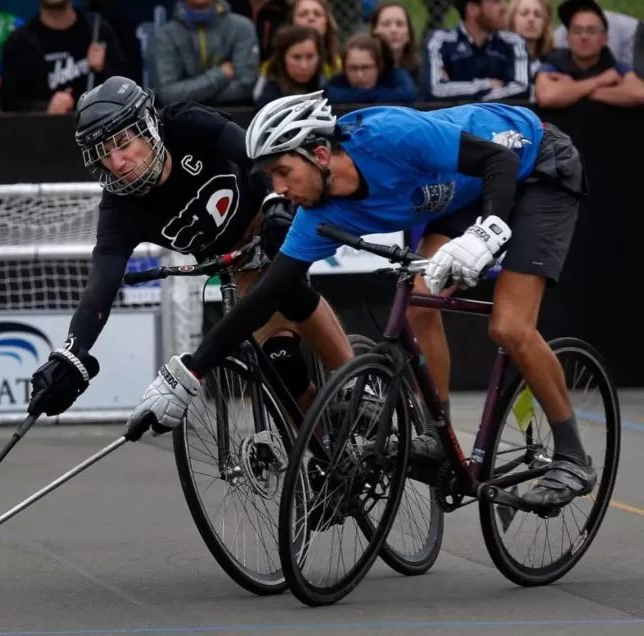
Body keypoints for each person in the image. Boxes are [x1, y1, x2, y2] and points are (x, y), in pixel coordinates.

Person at [126, 92, 595, 511]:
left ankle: (573, 457)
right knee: (418, 304)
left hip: (529, 163)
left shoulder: (389, 135)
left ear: (321, 153)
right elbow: (267, 295)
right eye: (271, 177)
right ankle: (438, 434)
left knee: (509, 327)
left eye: (284, 172)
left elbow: (499, 163)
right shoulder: (317, 214)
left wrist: (487, 231)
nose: (279, 190)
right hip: (462, 190)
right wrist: (192, 370)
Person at [25, 76, 354, 422]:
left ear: (147, 125)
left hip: (270, 215)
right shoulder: (119, 209)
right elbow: (100, 287)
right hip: (233, 263)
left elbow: (253, 153)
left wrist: (275, 202)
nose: (118, 161)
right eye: (104, 154)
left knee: (289, 290)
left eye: (123, 142)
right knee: (281, 365)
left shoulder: (184, 122)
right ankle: (322, 459)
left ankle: (356, 384)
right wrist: (73, 350)